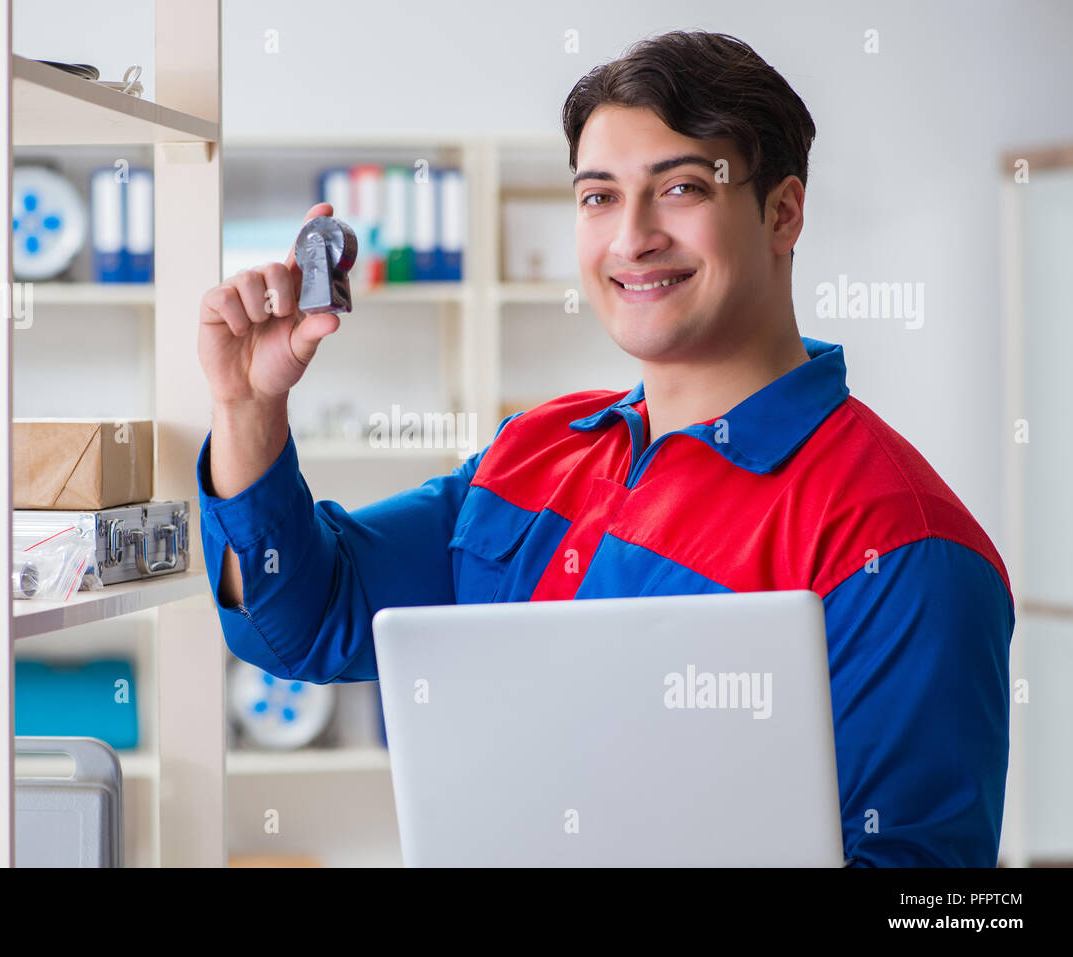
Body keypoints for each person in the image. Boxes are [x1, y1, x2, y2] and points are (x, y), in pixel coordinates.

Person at [195, 31, 1014, 868]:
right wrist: (249, 406)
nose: (632, 237)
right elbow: (301, 621)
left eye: (682, 188)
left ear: (783, 211)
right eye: (598, 197)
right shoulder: (536, 450)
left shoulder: (900, 543)